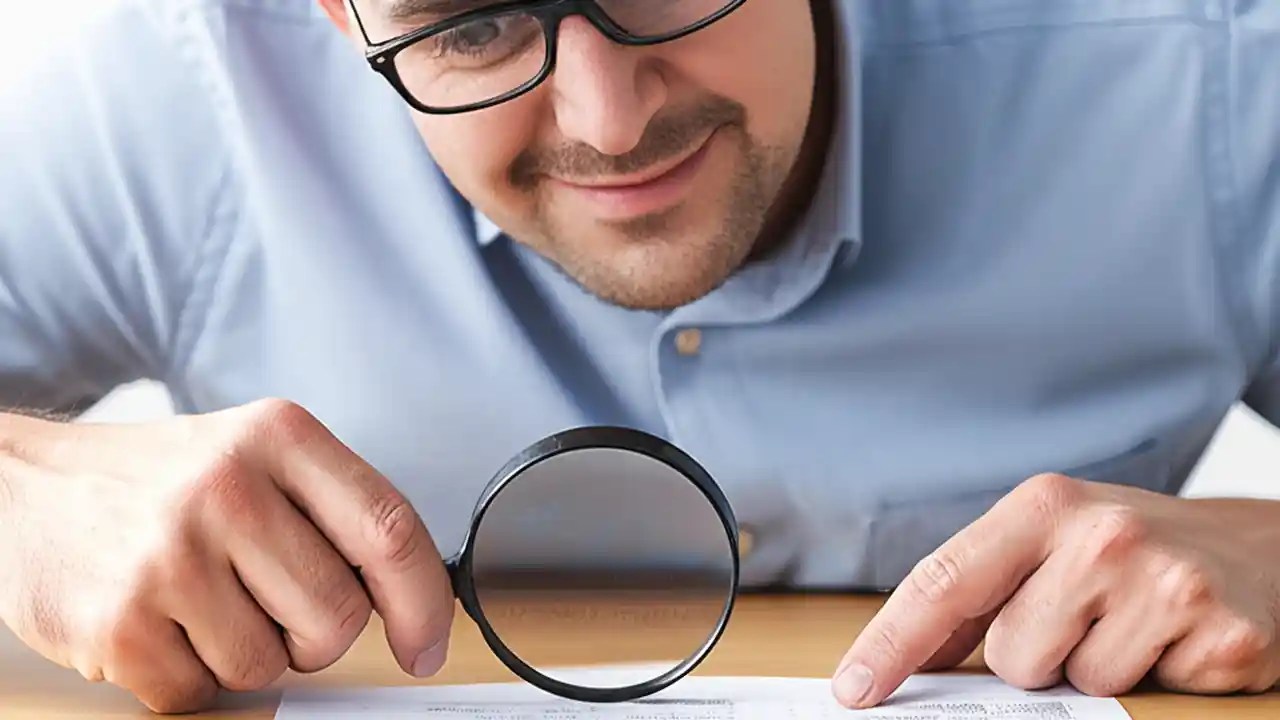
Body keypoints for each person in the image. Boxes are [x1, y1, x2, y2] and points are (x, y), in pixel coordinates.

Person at [1, 0, 1278, 713]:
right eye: (469, 27)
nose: (610, 120)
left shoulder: (1209, 72)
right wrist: (17, 492)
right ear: (339, 19)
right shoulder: (172, 100)